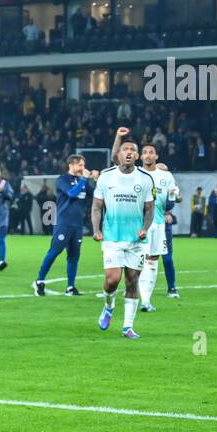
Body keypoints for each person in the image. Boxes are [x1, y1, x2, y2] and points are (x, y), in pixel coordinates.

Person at [92, 137, 155, 339]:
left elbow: (149, 209)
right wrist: (96, 229)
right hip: (112, 237)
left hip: (136, 241)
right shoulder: (106, 177)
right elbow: (96, 206)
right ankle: (108, 305)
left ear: (137, 156)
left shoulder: (145, 179)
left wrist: (145, 228)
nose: (128, 152)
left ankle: (127, 327)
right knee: (112, 280)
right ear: (118, 155)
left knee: (132, 281)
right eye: (125, 149)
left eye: (132, 150)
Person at [33, 154, 95, 296]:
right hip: (63, 223)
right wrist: (85, 179)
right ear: (71, 165)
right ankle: (40, 281)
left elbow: (96, 194)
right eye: (80, 165)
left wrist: (97, 180)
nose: (82, 168)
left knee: (74, 256)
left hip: (77, 225)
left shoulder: (82, 181)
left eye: (83, 165)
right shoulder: (62, 180)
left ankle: (70, 287)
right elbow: (72, 194)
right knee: (54, 252)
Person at [135, 135, 178, 312]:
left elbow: (170, 201)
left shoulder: (165, 176)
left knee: (152, 260)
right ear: (140, 156)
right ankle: (127, 293)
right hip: (137, 223)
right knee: (136, 260)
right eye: (144, 152)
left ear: (156, 156)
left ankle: (145, 301)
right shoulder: (134, 173)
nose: (148, 155)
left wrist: (174, 198)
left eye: (151, 152)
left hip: (158, 223)